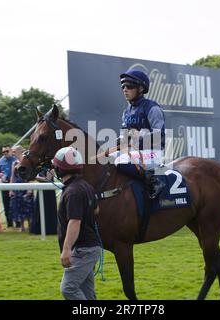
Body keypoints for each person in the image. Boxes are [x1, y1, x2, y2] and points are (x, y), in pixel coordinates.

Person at [53, 147, 101, 300]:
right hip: (90, 247)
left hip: (83, 250)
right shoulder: (86, 186)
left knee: (69, 288)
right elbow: (96, 210)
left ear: (60, 169)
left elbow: (75, 221)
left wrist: (66, 249)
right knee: (87, 292)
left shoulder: (72, 192)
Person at [113, 69, 166, 199]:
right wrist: (120, 139)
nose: (125, 89)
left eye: (129, 86)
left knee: (120, 162)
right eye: (123, 86)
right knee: (107, 158)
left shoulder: (152, 108)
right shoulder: (127, 112)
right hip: (135, 154)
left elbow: (159, 135)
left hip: (153, 153)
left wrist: (138, 135)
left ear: (141, 88)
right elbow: (125, 135)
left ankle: (153, 181)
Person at [9, 145, 33, 232]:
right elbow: (12, 176)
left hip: (26, 185)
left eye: (14, 151)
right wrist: (11, 189)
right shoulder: (14, 163)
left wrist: (30, 188)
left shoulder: (27, 161)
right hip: (17, 187)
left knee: (28, 207)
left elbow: (30, 175)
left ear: (19, 151)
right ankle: (22, 226)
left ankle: (30, 226)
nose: (13, 153)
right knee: (19, 207)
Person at [30, 168, 58, 236]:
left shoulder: (51, 169)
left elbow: (47, 179)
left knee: (48, 209)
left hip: (48, 192)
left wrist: (36, 177)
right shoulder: (40, 168)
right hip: (41, 190)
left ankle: (50, 229)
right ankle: (38, 229)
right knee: (39, 209)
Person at [0, 145, 18, 228]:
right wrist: (0, 175)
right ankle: (9, 224)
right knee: (6, 205)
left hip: (14, 185)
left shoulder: (16, 160)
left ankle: (18, 223)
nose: (5, 153)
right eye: (3, 152)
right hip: (4, 185)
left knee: (15, 204)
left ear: (11, 151)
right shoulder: (1, 161)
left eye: (7, 151)